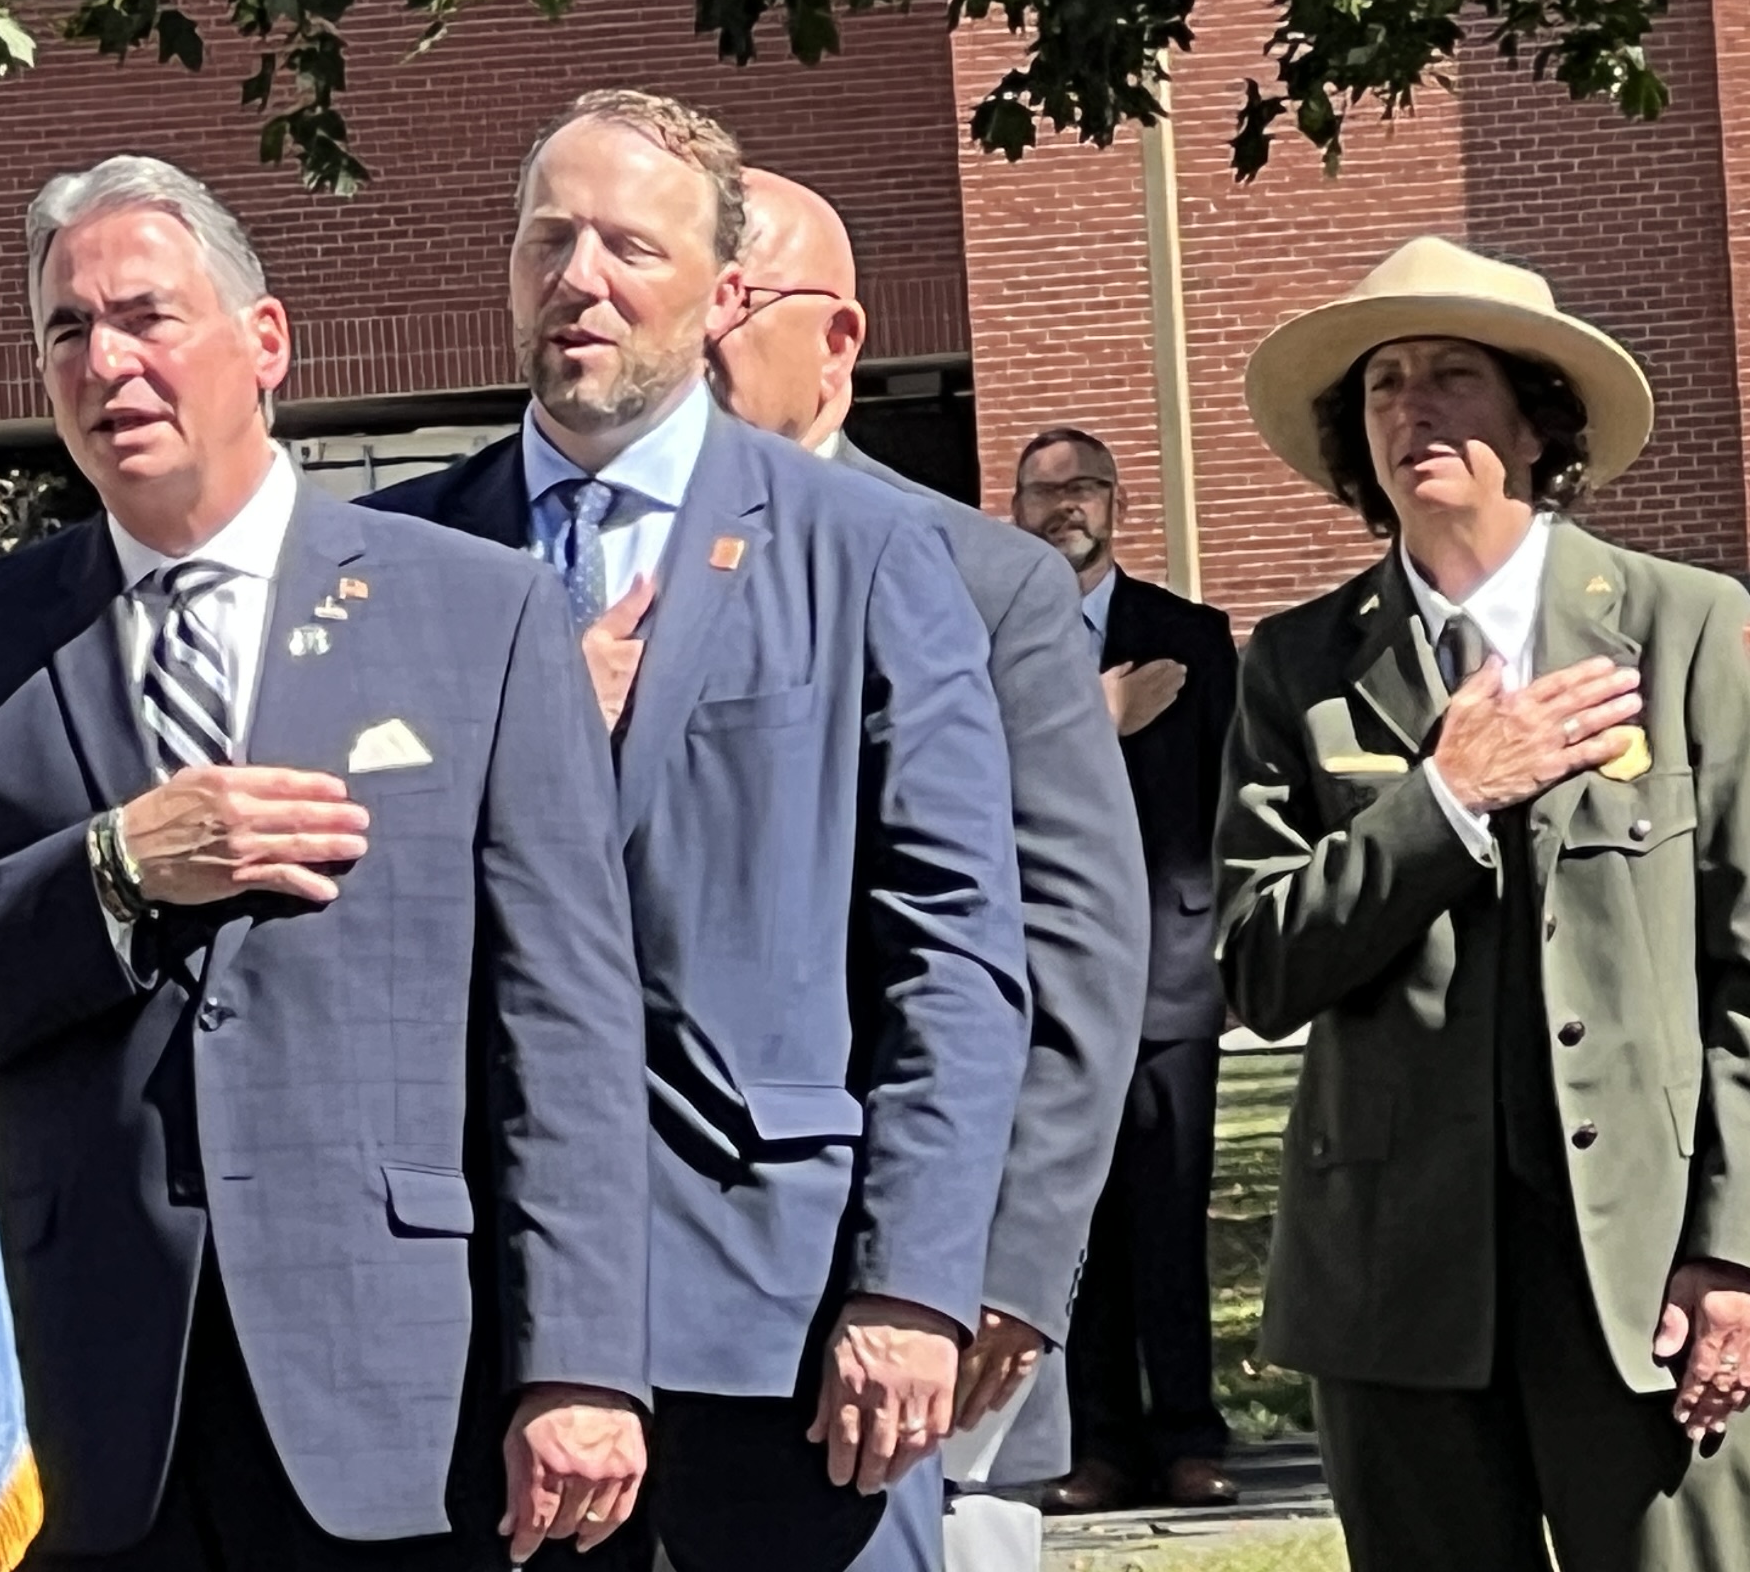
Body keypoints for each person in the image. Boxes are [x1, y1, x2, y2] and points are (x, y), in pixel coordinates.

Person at [0, 156, 652, 1566]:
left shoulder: (477, 617)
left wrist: (584, 1365)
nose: (106, 361)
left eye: (145, 317)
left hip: (397, 1396)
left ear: (265, 344)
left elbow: (566, 1022)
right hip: (87, 1407)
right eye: (68, 331)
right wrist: (112, 872)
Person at [362, 91, 1027, 1572]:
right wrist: (517, 736)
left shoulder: (862, 555)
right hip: (475, 1335)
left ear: (725, 292)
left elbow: (956, 953)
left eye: (627, 245)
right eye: (549, 239)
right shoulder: (397, 565)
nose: (578, 278)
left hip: (785, 1335)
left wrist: (913, 1285)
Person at [1219, 238, 1750, 1571]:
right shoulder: (1298, 665)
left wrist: (1734, 1254)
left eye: (1453, 374)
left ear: (1537, 416)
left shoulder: (1688, 630)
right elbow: (1259, 967)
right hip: (1394, 1293)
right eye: (1385, 384)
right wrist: (1446, 801)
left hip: (1639, 1283)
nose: (1413, 408)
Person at [711, 175, 1148, 1572]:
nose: (689, 331)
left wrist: (1006, 1270)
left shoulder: (985, 579)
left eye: (734, 299)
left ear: (837, 340)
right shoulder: (546, 571)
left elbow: (1072, 947)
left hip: (921, 1305)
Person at [1013, 426, 1238, 1517]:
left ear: (1118, 505)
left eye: (1084, 488)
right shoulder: (994, 634)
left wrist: (1230, 948)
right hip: (1044, 980)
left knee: (1170, 1224)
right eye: (1044, 491)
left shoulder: (1190, 638)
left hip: (1169, 972)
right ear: (1013, 509)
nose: (1066, 506)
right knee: (1075, 1229)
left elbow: (1225, 803)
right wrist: (1090, 720)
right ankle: (1096, 1445)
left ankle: (1191, 1435)